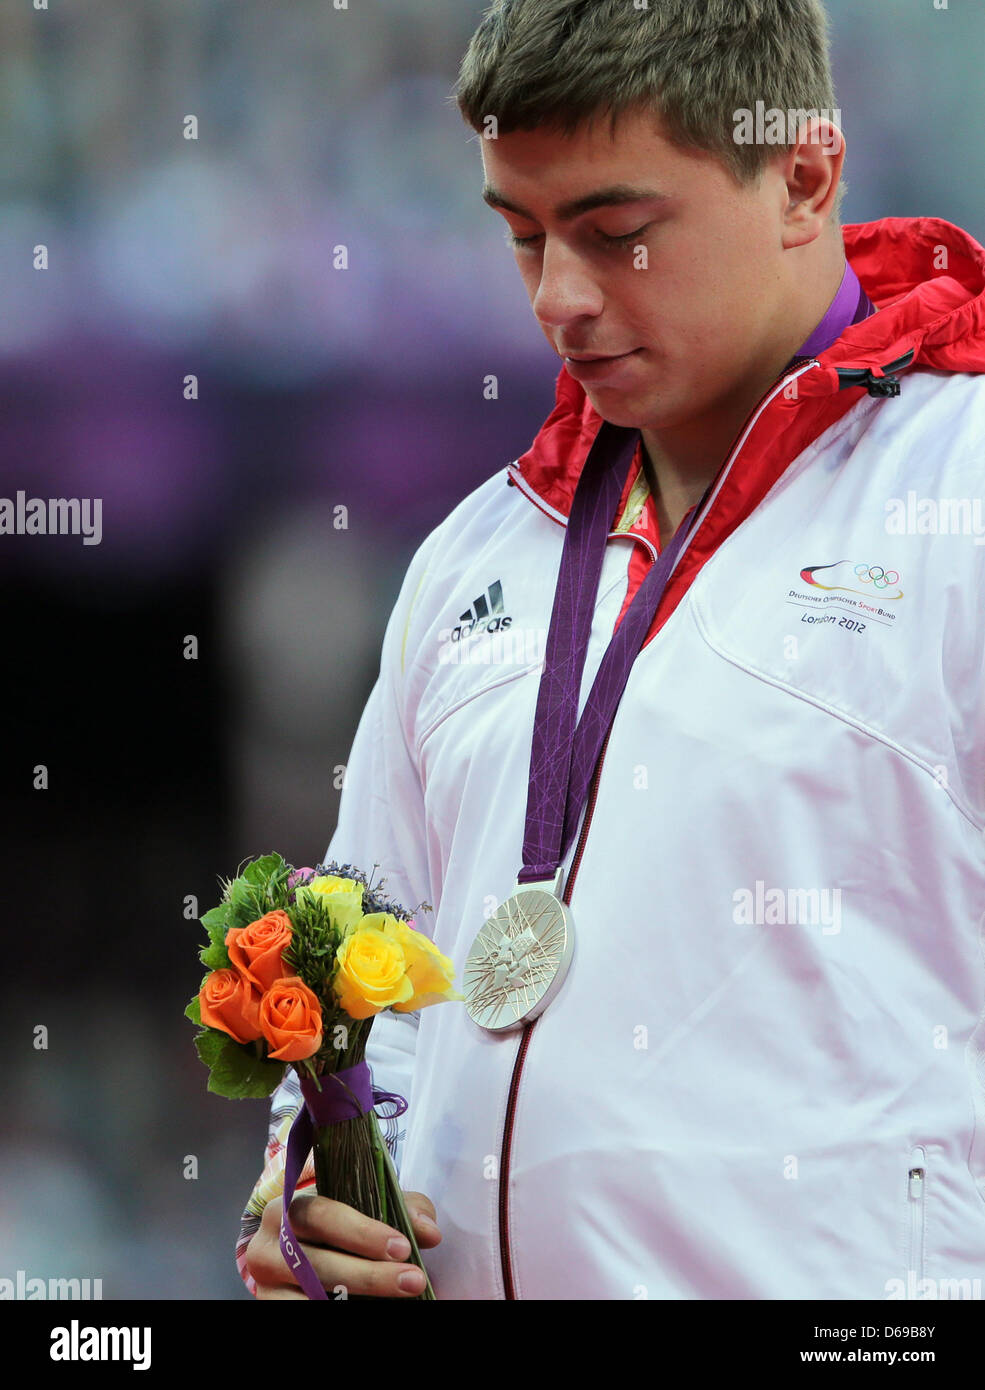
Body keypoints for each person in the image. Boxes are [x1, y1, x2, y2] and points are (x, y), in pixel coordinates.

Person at [240, 0, 985, 1300]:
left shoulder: (958, 493)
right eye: (521, 234)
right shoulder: (478, 555)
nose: (558, 299)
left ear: (800, 177)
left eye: (615, 235)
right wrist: (318, 1179)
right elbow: (372, 956)